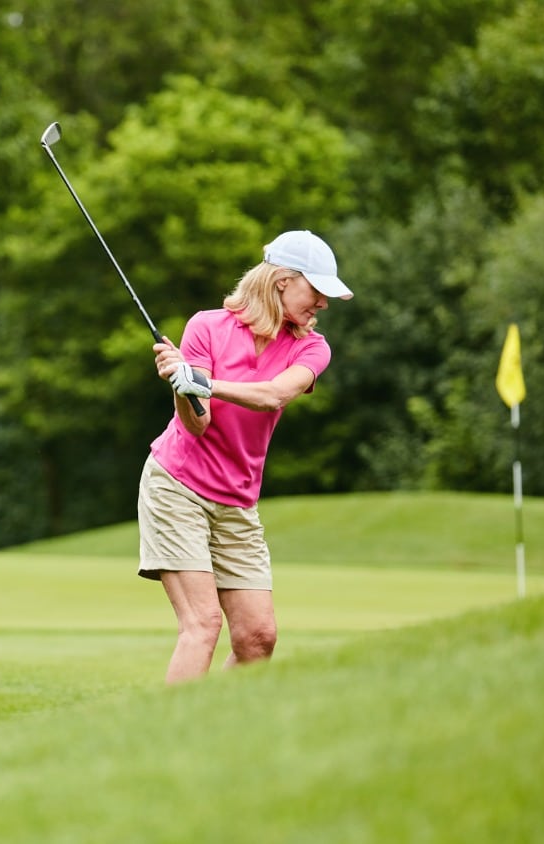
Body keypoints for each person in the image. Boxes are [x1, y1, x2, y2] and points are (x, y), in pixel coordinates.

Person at [137, 230, 353, 684]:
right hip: (178, 486)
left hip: (237, 499)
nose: (323, 304)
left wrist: (200, 381)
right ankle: (167, 738)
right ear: (281, 282)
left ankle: (213, 727)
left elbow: (275, 395)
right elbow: (197, 423)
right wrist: (183, 385)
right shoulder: (206, 326)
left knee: (257, 638)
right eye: (316, 291)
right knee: (202, 624)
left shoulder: (312, 347)